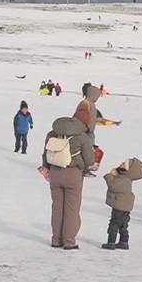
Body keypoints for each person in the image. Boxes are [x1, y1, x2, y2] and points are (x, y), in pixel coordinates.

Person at [40, 104, 96, 250]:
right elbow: (90, 161)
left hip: (55, 173)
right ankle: (69, 241)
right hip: (73, 174)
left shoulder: (52, 133)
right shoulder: (82, 137)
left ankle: (56, 240)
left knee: (57, 208)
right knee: (71, 209)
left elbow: (45, 155)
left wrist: (48, 168)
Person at [103, 158, 142, 250]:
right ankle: (123, 242)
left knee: (114, 223)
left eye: (123, 164)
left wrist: (110, 176)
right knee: (123, 224)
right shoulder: (126, 179)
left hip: (119, 206)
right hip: (126, 207)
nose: (121, 164)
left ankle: (111, 242)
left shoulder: (124, 179)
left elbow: (113, 186)